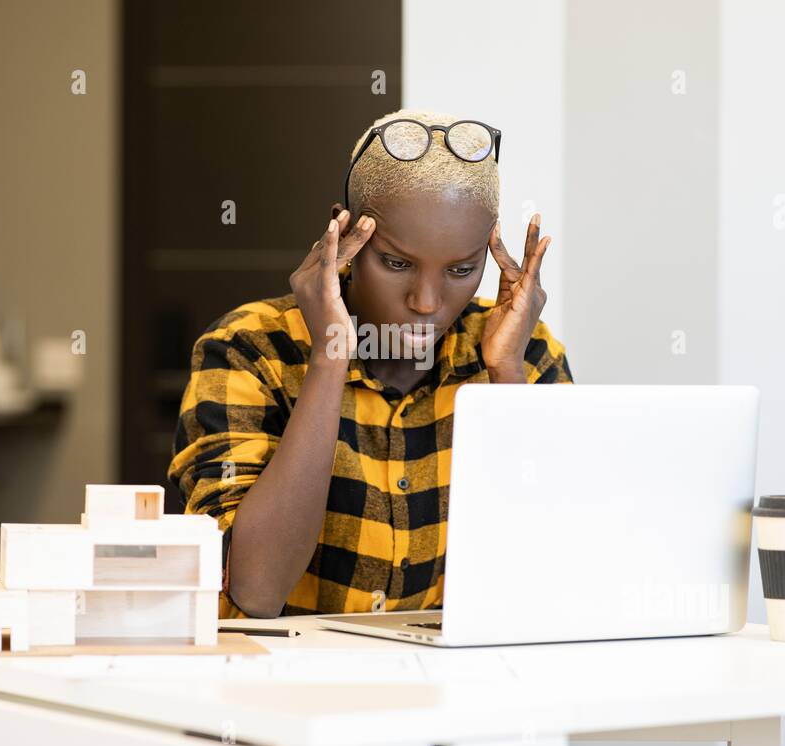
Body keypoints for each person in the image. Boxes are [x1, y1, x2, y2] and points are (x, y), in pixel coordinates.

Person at [168, 108, 573, 618]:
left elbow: (556, 574)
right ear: (345, 237)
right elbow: (255, 588)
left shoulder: (524, 355)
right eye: (397, 263)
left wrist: (506, 374)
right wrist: (330, 355)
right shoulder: (249, 350)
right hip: (282, 681)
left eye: (461, 269)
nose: (426, 302)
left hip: (457, 683)